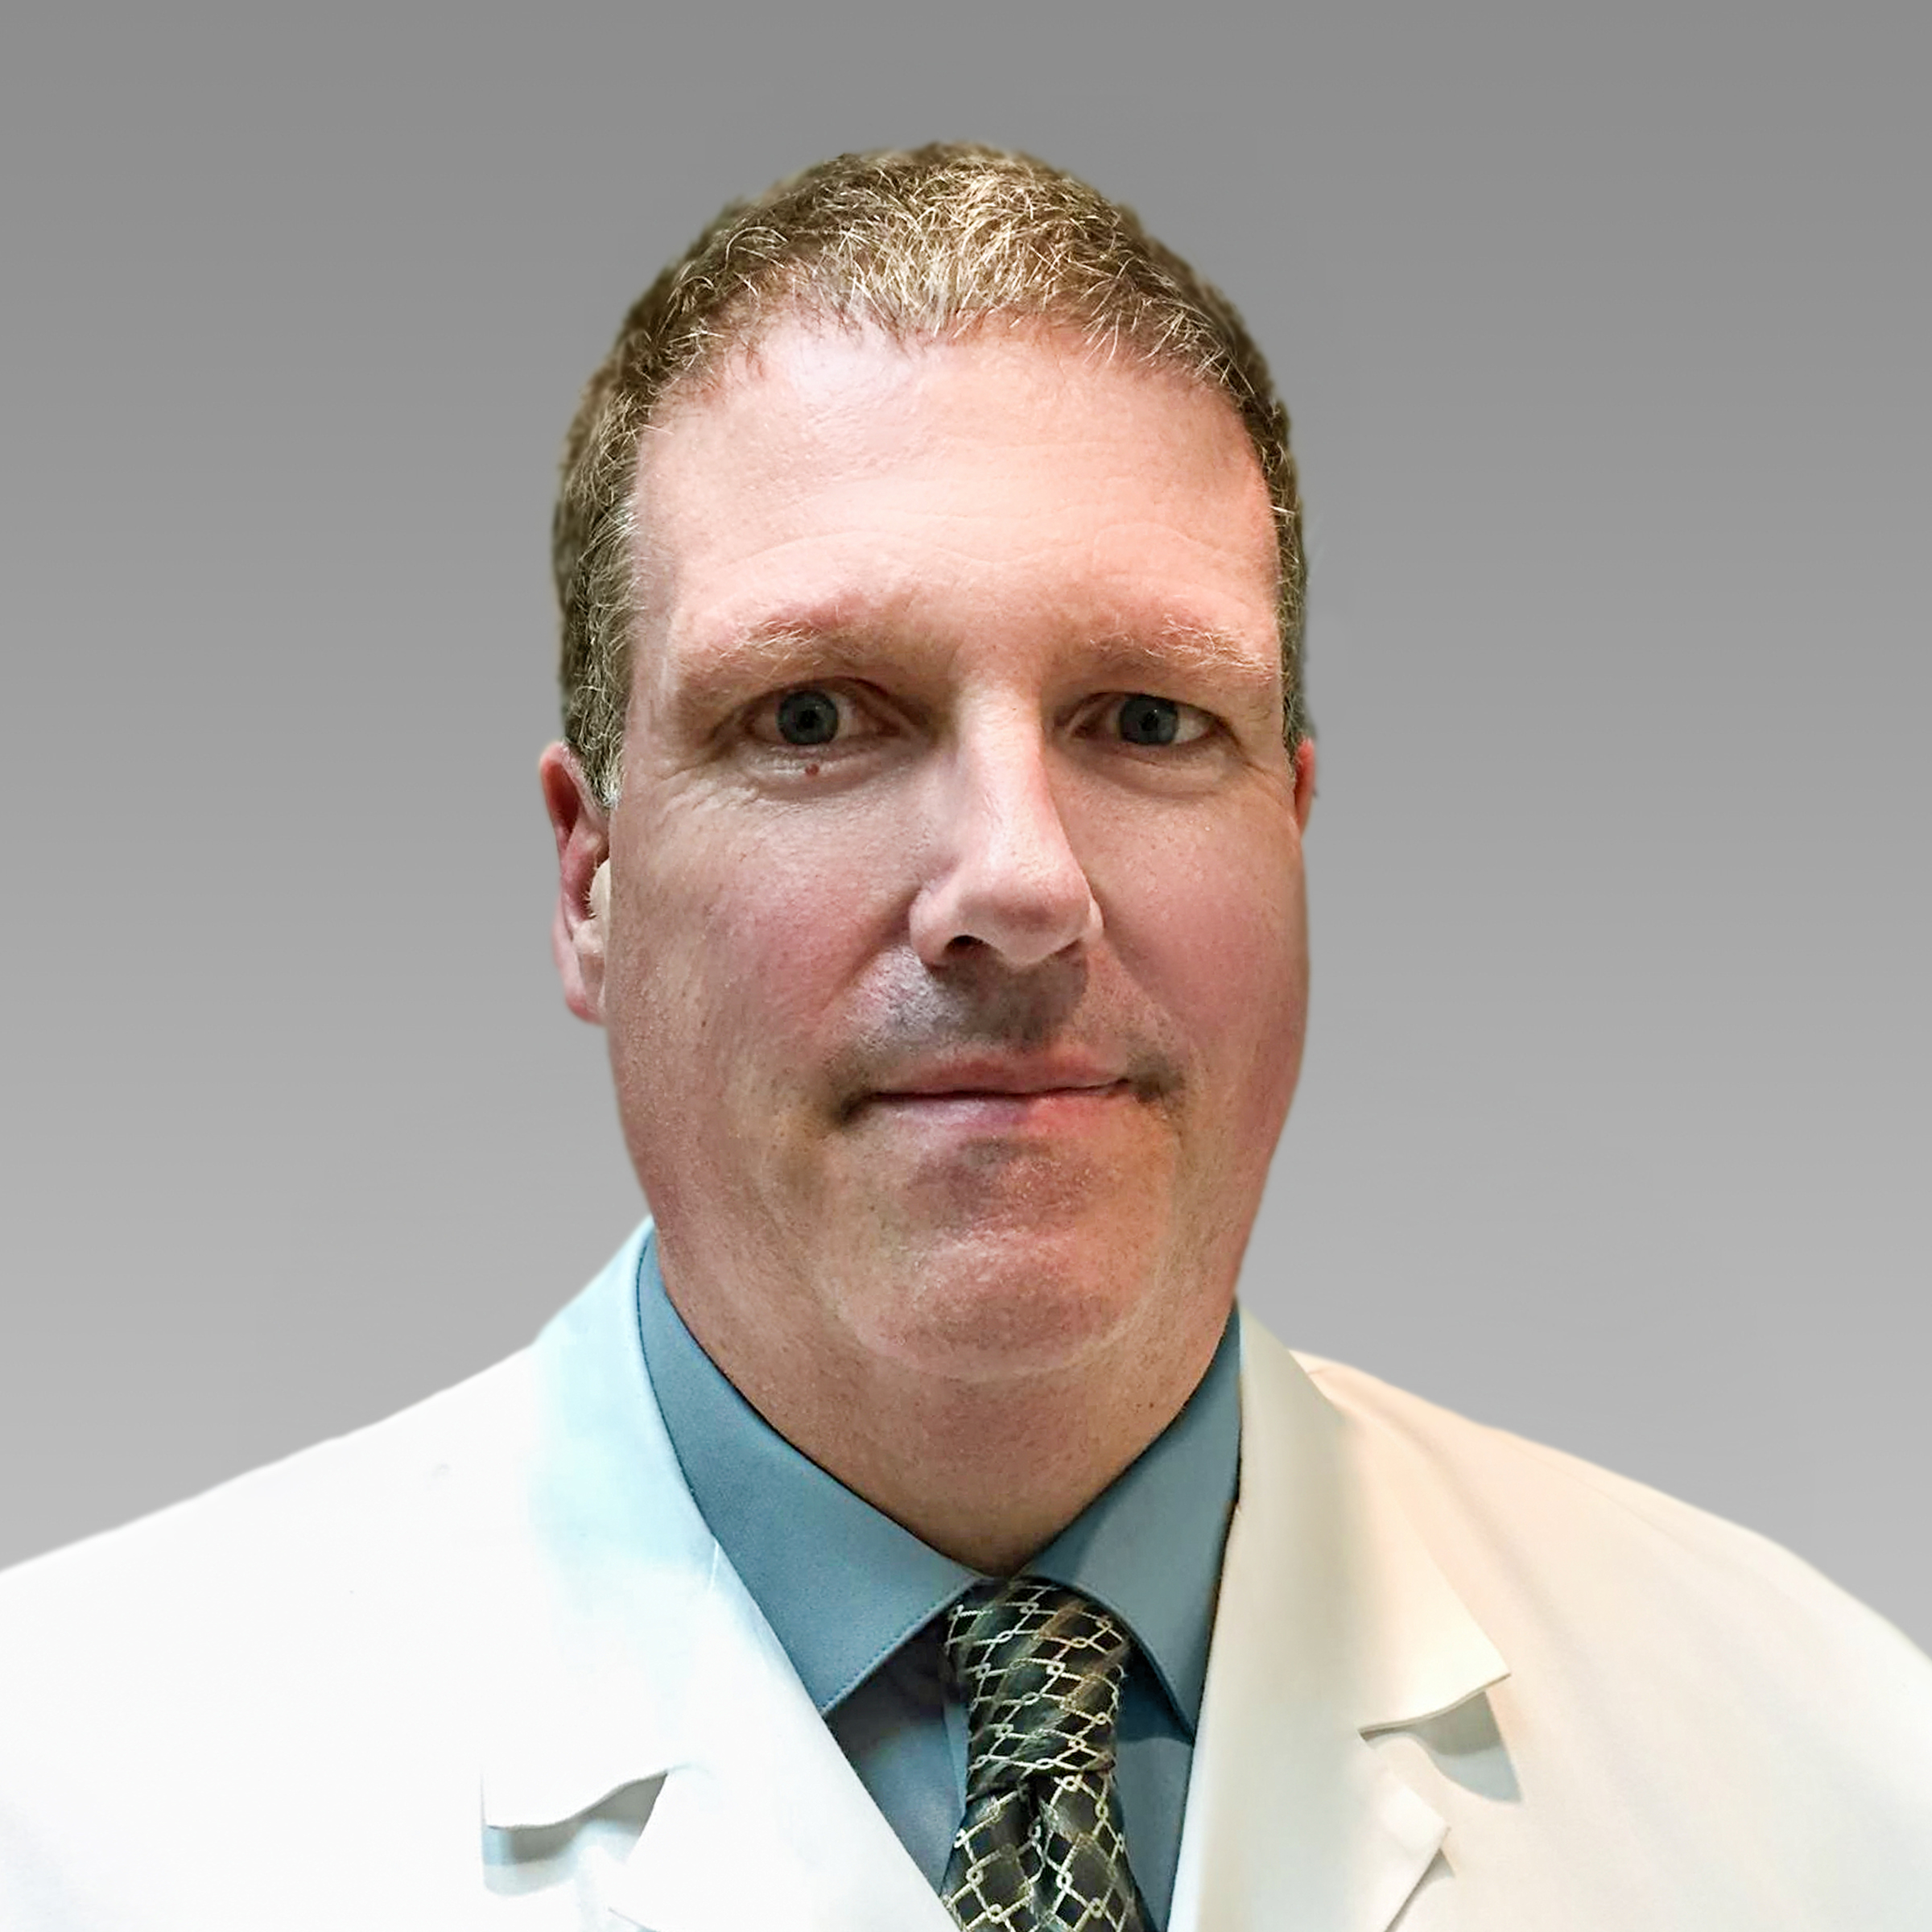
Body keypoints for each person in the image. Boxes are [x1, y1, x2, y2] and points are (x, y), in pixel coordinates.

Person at [1, 142, 1927, 1932]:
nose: (1016, 880)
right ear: (591, 879)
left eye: (1149, 720)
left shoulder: (1827, 1771)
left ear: (1293, 828)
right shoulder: (68, 1806)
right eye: (817, 718)